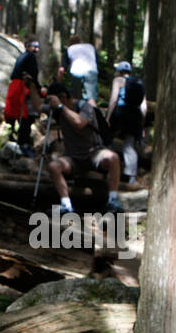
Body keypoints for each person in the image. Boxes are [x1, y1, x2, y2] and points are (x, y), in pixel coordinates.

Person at [43, 81, 123, 214]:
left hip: (94, 154)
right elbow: (37, 106)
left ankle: (113, 201)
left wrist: (61, 107)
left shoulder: (84, 107)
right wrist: (32, 86)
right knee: (54, 167)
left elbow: (79, 123)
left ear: (63, 97)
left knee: (113, 157)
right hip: (73, 158)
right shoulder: (56, 109)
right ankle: (66, 205)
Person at [104, 61, 147, 185]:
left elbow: (113, 99)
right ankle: (131, 177)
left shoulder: (118, 80)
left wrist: (108, 117)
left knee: (108, 139)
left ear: (119, 71)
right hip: (135, 116)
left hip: (121, 114)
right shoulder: (139, 83)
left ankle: (109, 169)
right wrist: (141, 124)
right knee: (129, 145)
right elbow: (144, 107)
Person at [5, 38, 44, 153]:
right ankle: (23, 144)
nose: (36, 49)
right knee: (27, 116)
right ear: (27, 46)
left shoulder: (23, 56)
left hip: (17, 87)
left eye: (37, 46)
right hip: (24, 89)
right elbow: (31, 75)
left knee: (20, 115)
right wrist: (37, 89)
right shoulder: (30, 57)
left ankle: (18, 139)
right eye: (34, 46)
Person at [65, 34, 99, 105]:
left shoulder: (70, 48)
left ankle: (75, 113)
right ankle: (95, 113)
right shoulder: (90, 46)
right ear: (80, 41)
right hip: (91, 70)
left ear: (70, 43)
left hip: (76, 71)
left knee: (75, 96)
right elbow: (96, 60)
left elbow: (62, 69)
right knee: (91, 98)